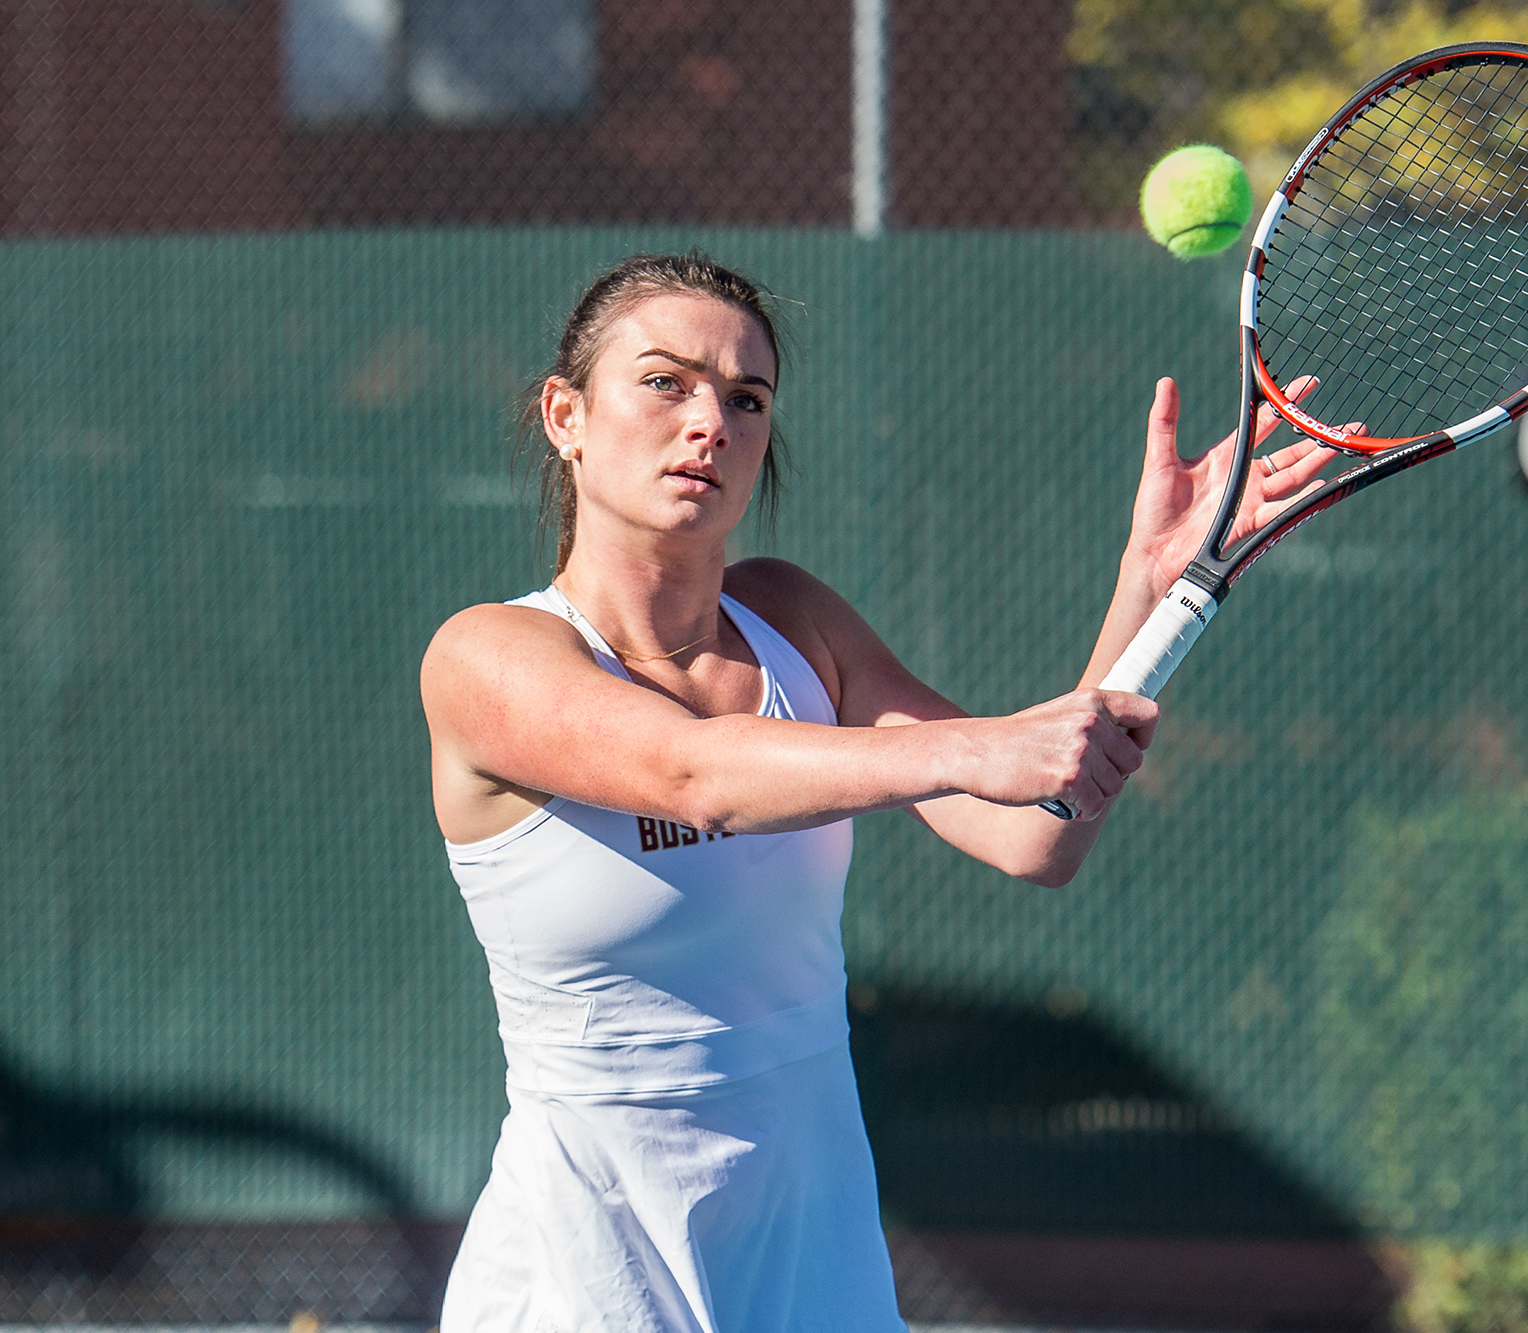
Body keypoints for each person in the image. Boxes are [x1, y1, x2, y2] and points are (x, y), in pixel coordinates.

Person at [421, 253, 1332, 1331]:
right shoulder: (487, 657)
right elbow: (694, 773)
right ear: (565, 415)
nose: (710, 420)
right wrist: (967, 747)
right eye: (664, 381)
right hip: (589, 1273)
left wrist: (1149, 584)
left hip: (815, 1263)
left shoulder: (793, 618)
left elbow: (1032, 835)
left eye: (746, 396)